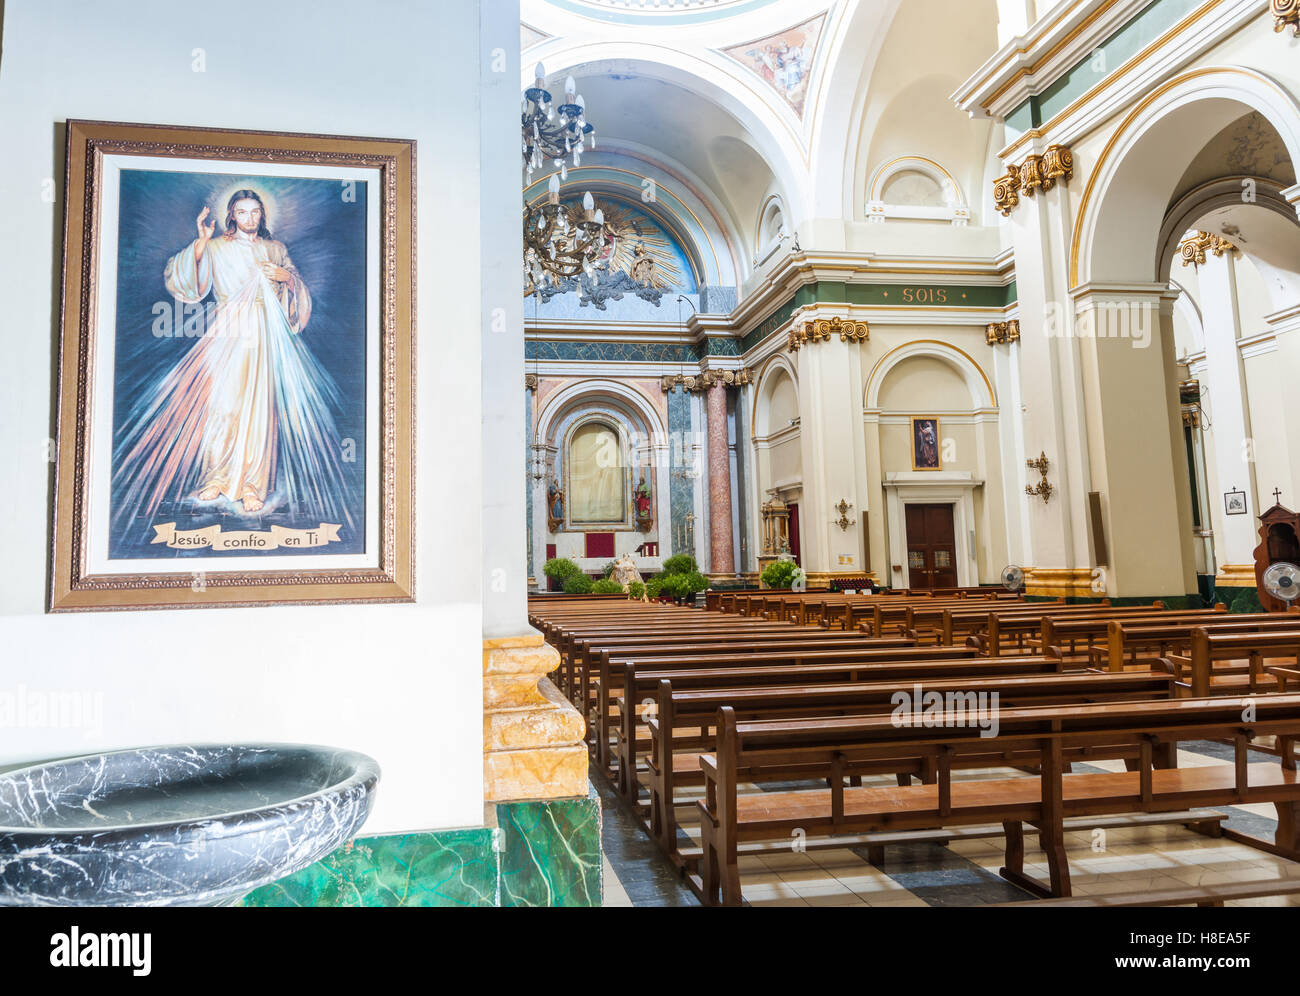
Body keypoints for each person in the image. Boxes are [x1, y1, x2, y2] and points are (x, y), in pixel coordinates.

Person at [114, 189, 351, 529]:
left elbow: (296, 289)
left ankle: (253, 485)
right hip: (226, 329)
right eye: (242, 212)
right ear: (232, 216)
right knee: (223, 405)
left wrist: (289, 279)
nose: (249, 218)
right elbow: (184, 281)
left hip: (264, 334)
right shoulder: (217, 247)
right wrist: (200, 242)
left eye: (255, 212)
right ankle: (217, 477)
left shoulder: (275, 250)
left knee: (258, 409)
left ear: (262, 215)